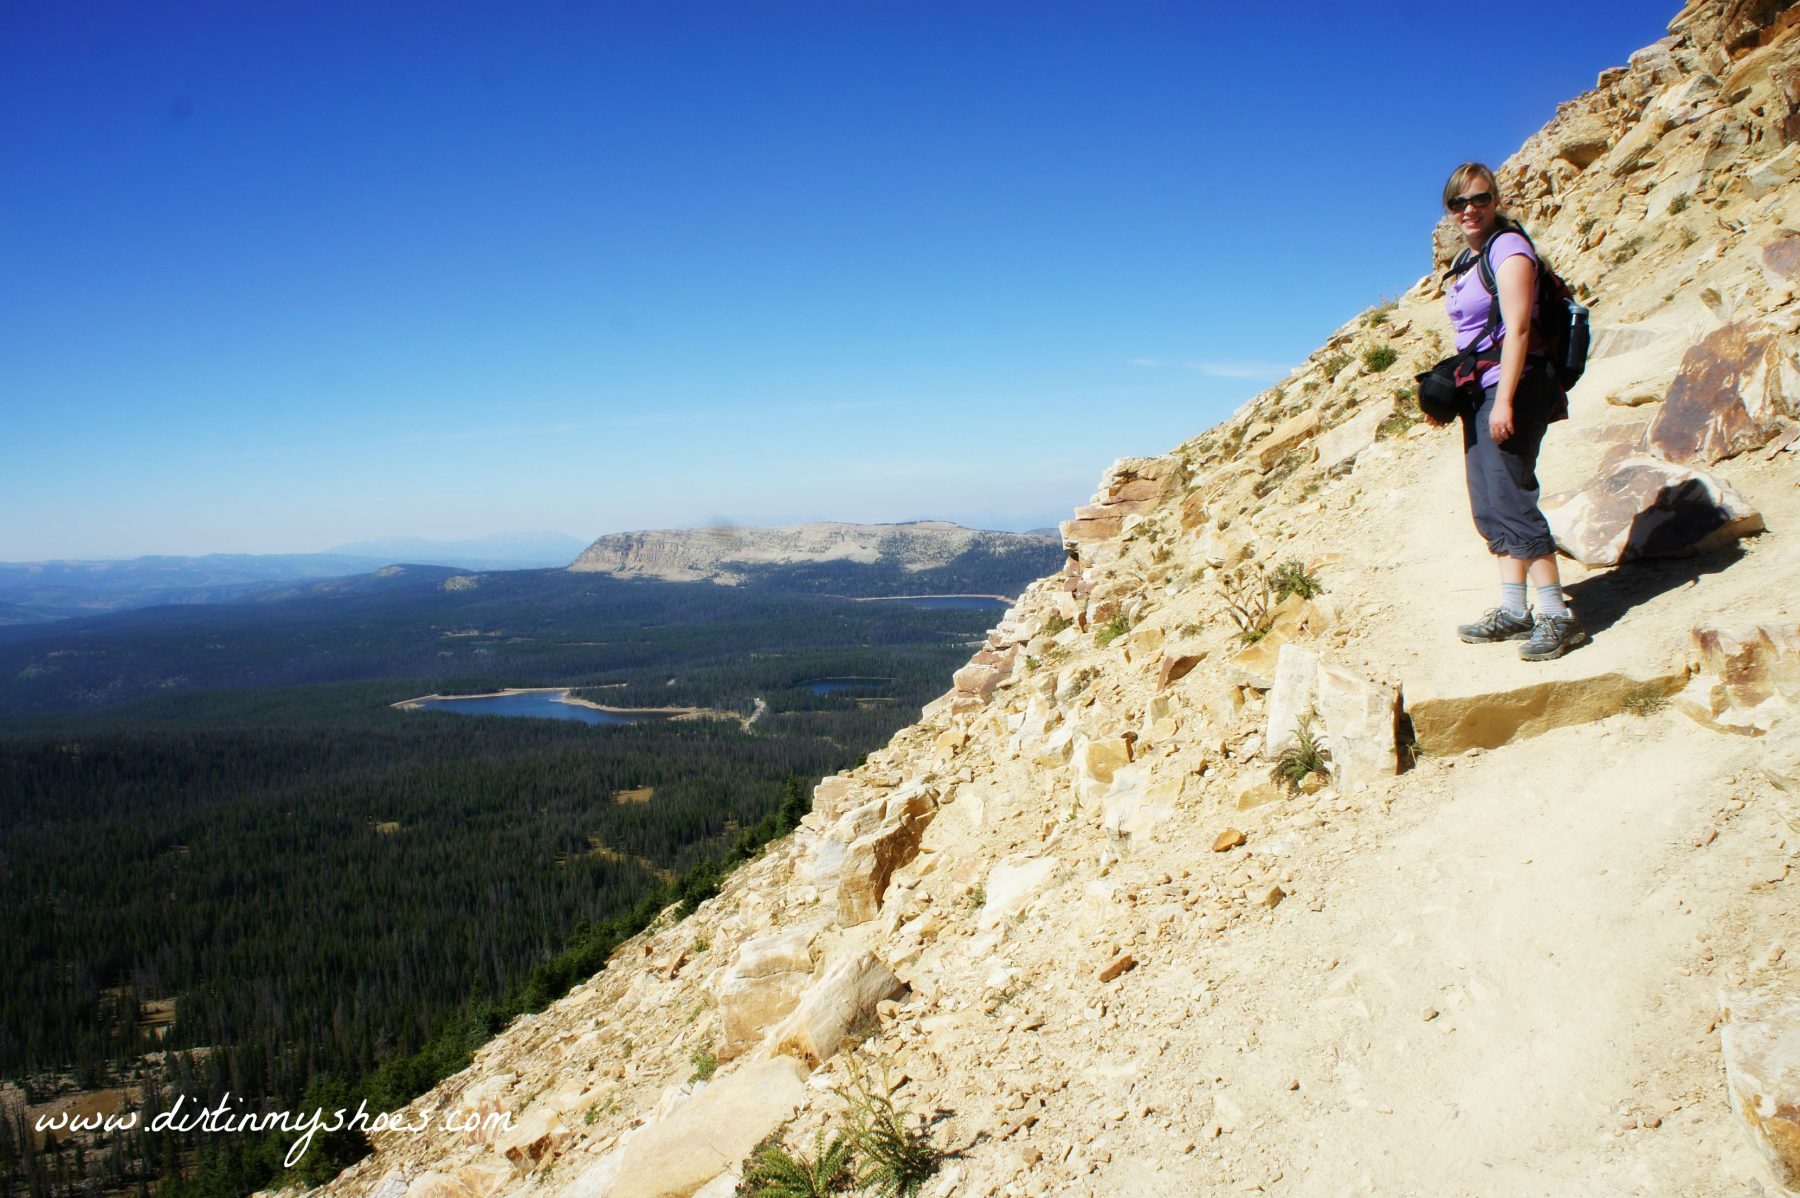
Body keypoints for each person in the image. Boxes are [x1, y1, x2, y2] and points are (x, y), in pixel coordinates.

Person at [1428, 162, 1586, 662]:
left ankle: (1556, 615)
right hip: (1482, 390)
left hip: (1512, 386)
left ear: (1495, 199)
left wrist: (1506, 400)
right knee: (1490, 502)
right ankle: (1514, 608)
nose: (1469, 210)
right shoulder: (1468, 260)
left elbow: (1517, 330)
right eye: (1458, 203)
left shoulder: (1509, 250)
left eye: (1478, 199)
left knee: (1514, 497)